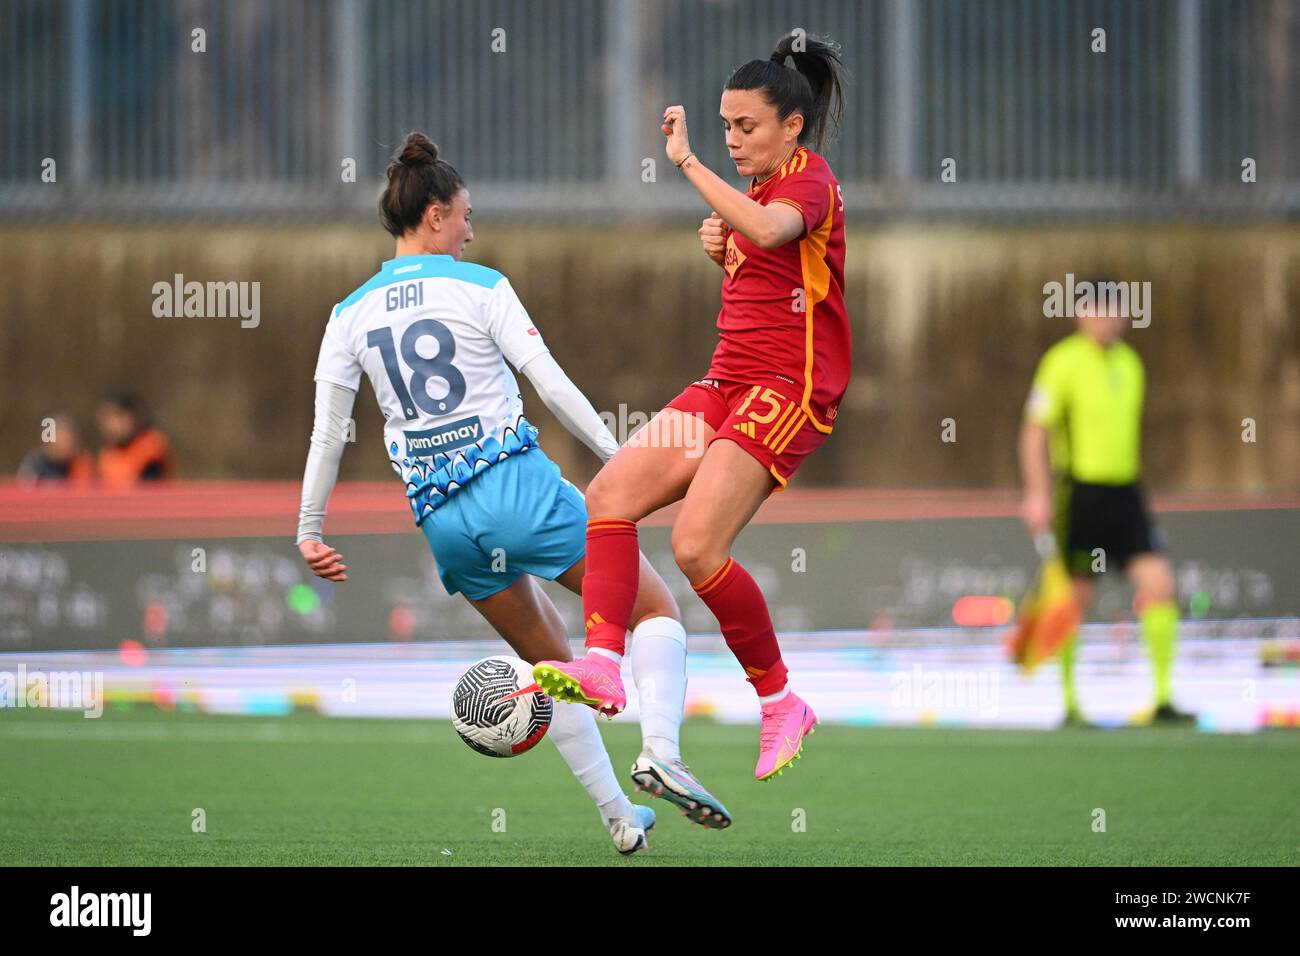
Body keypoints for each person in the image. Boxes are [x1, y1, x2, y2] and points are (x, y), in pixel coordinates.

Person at [295, 133, 730, 856]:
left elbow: (327, 433)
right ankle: (662, 753)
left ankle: (620, 816)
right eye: (465, 215)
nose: (471, 229)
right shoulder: (482, 286)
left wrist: (309, 528)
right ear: (434, 215)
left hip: (442, 522)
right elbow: (551, 384)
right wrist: (623, 463)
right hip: (517, 490)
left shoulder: (347, 315)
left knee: (551, 666)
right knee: (655, 607)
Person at [534, 33, 850, 782]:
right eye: (725, 126)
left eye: (748, 127)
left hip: (787, 390)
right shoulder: (754, 193)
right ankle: (605, 666)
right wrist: (723, 243)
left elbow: (774, 230)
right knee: (606, 496)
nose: (733, 140)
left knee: (696, 547)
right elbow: (761, 255)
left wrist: (690, 168)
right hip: (726, 381)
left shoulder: (808, 181)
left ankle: (779, 701)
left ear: (791, 128)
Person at [1019, 280, 1193, 727]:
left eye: (1115, 310)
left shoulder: (1131, 364)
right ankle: (1072, 704)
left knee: (1160, 586)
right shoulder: (1062, 362)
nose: (1108, 318)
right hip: (1081, 494)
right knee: (1074, 599)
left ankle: (1162, 698)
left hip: (1126, 493)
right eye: (1098, 310)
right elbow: (1035, 431)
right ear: (1081, 314)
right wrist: (1037, 493)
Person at [96, 393, 174, 487]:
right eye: (107, 419)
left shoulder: (150, 447)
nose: (112, 426)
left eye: (118, 418)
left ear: (134, 417)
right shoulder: (107, 454)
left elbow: (150, 489)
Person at [17, 411, 93, 487]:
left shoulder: (80, 463)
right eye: (62, 435)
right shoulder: (36, 465)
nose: (67, 442)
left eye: (69, 436)